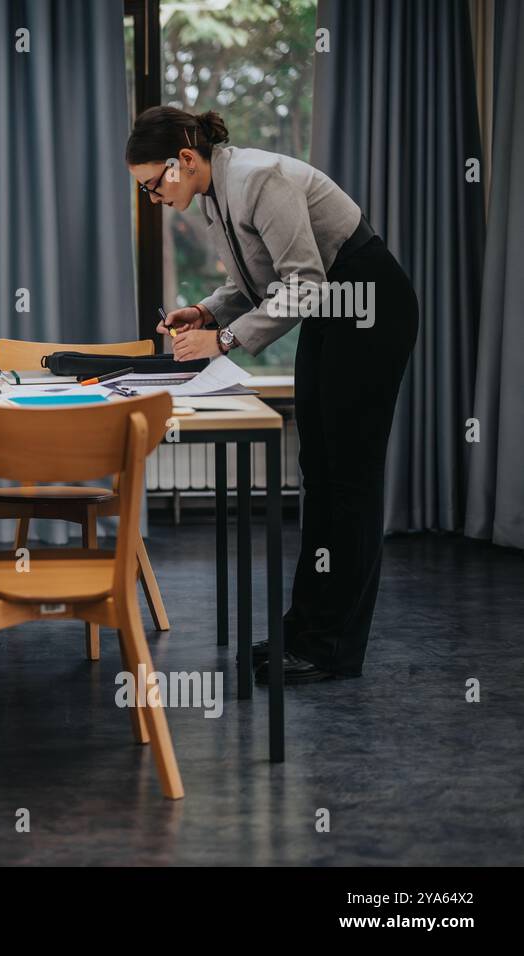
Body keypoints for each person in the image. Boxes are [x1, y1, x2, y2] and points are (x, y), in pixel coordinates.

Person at [125, 106, 419, 684]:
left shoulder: (260, 178)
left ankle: (333, 647)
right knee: (320, 470)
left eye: (154, 185)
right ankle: (306, 629)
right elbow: (252, 283)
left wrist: (224, 339)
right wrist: (206, 311)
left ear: (185, 157)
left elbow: (304, 283)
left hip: (367, 304)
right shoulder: (214, 197)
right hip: (331, 311)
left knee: (349, 477)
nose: (154, 198)